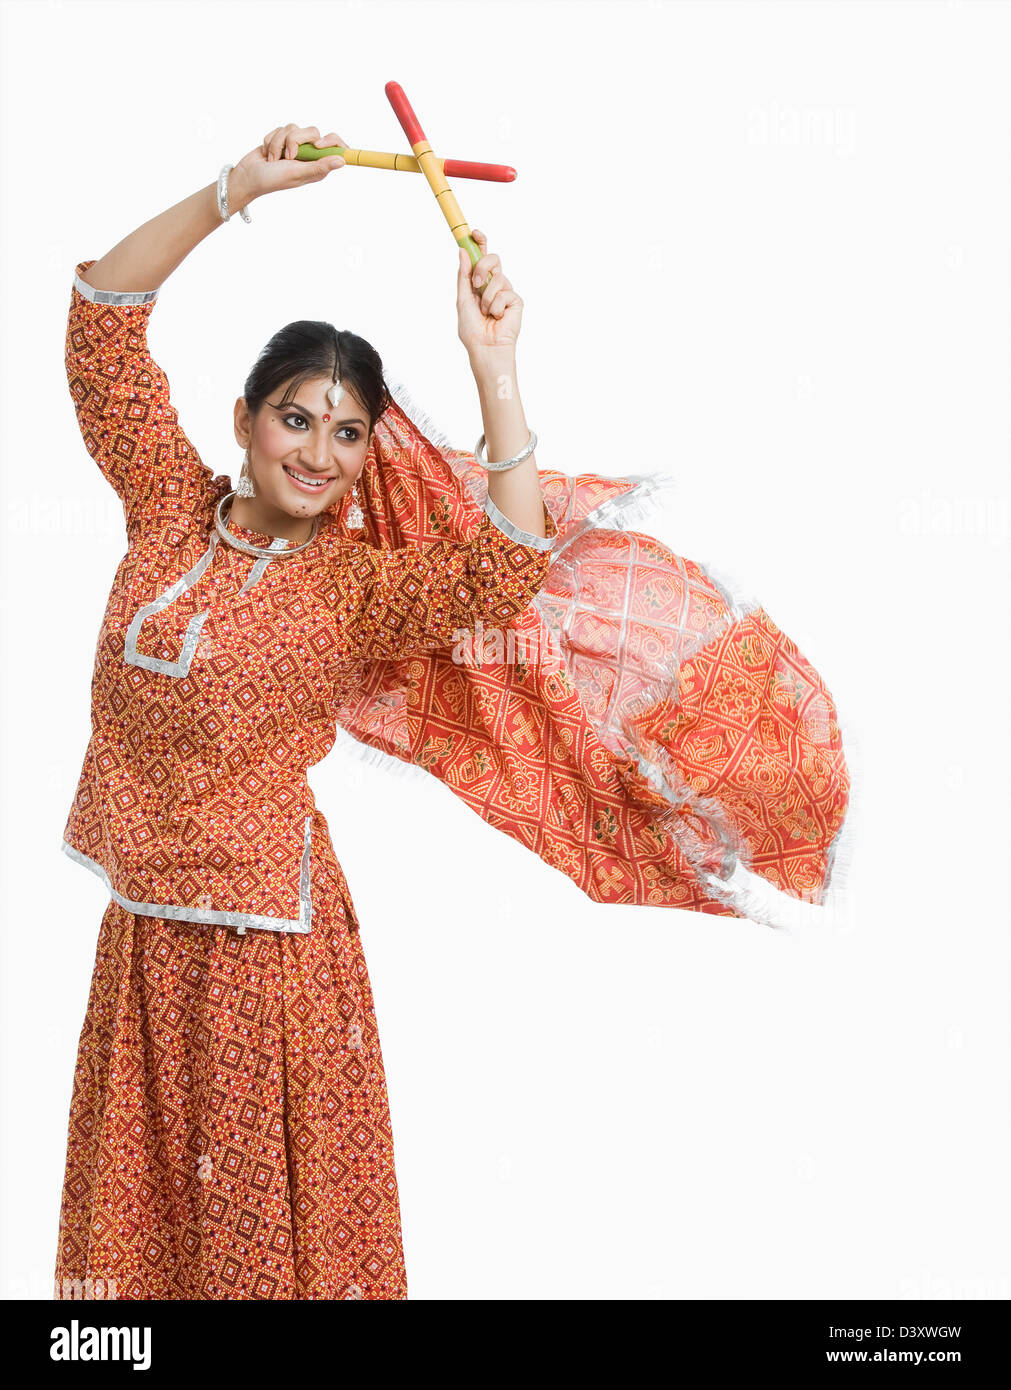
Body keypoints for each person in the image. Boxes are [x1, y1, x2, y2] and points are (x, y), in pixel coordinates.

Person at [55, 123, 852, 1302]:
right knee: (147, 1250)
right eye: (294, 417)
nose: (317, 451)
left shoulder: (355, 590)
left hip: (262, 958)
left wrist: (495, 361)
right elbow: (100, 322)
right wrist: (232, 192)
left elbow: (504, 565)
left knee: (248, 1257)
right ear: (242, 418)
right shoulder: (167, 515)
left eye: (346, 432)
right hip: (141, 940)